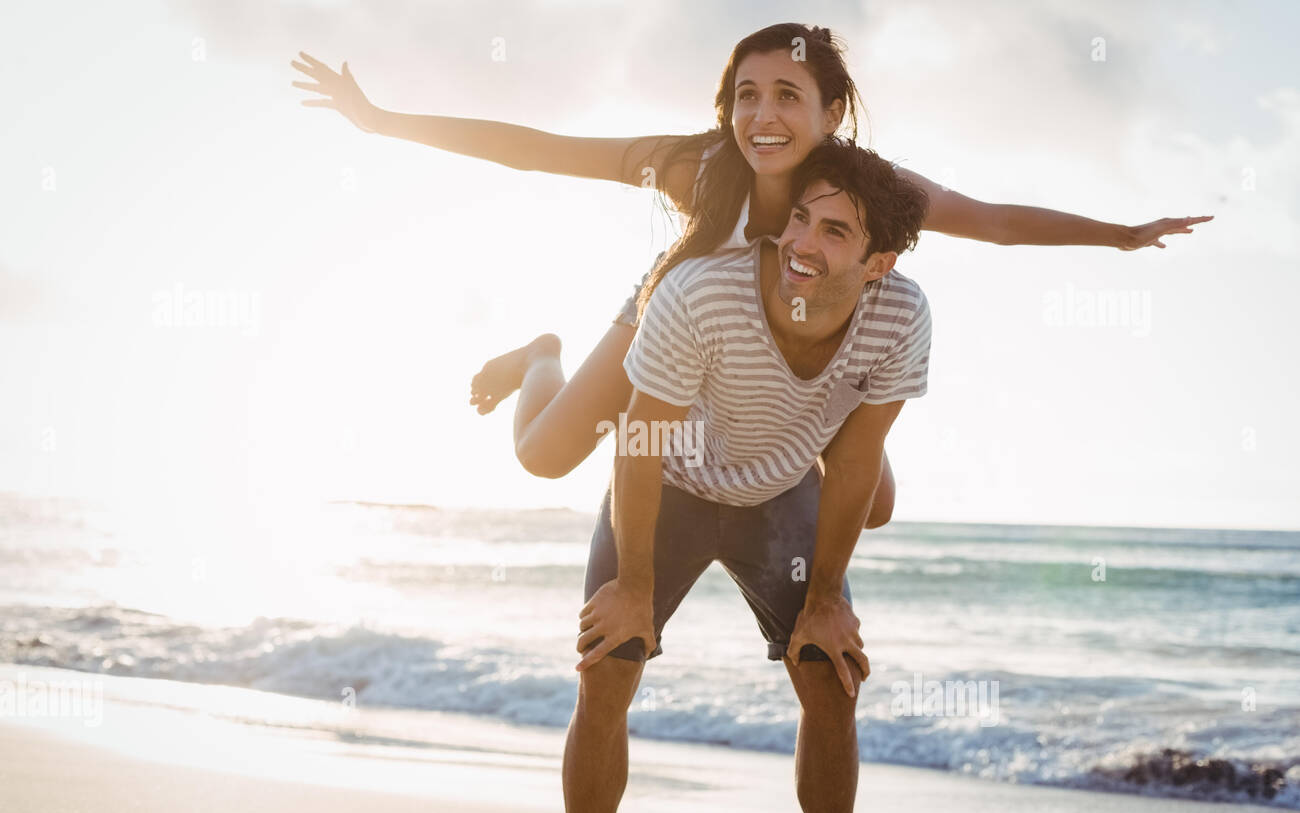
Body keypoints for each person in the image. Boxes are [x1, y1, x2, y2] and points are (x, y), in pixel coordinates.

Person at [290, 23, 1212, 531]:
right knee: (544, 455)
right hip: (672, 320)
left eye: (787, 97)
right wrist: (382, 122)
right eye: (746, 94)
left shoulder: (871, 192)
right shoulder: (695, 168)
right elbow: (537, 150)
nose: (763, 116)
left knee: (877, 503)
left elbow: (999, 222)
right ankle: (542, 353)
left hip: (794, 351)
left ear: (830, 110)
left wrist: (1122, 236)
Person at [569, 138, 929, 813]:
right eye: (800, 218)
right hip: (667, 480)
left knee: (831, 674)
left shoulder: (900, 314)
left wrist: (825, 597)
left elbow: (857, 460)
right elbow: (639, 436)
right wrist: (633, 584)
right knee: (609, 665)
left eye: (836, 232)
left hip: (779, 487)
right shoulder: (699, 292)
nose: (802, 242)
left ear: (879, 263)